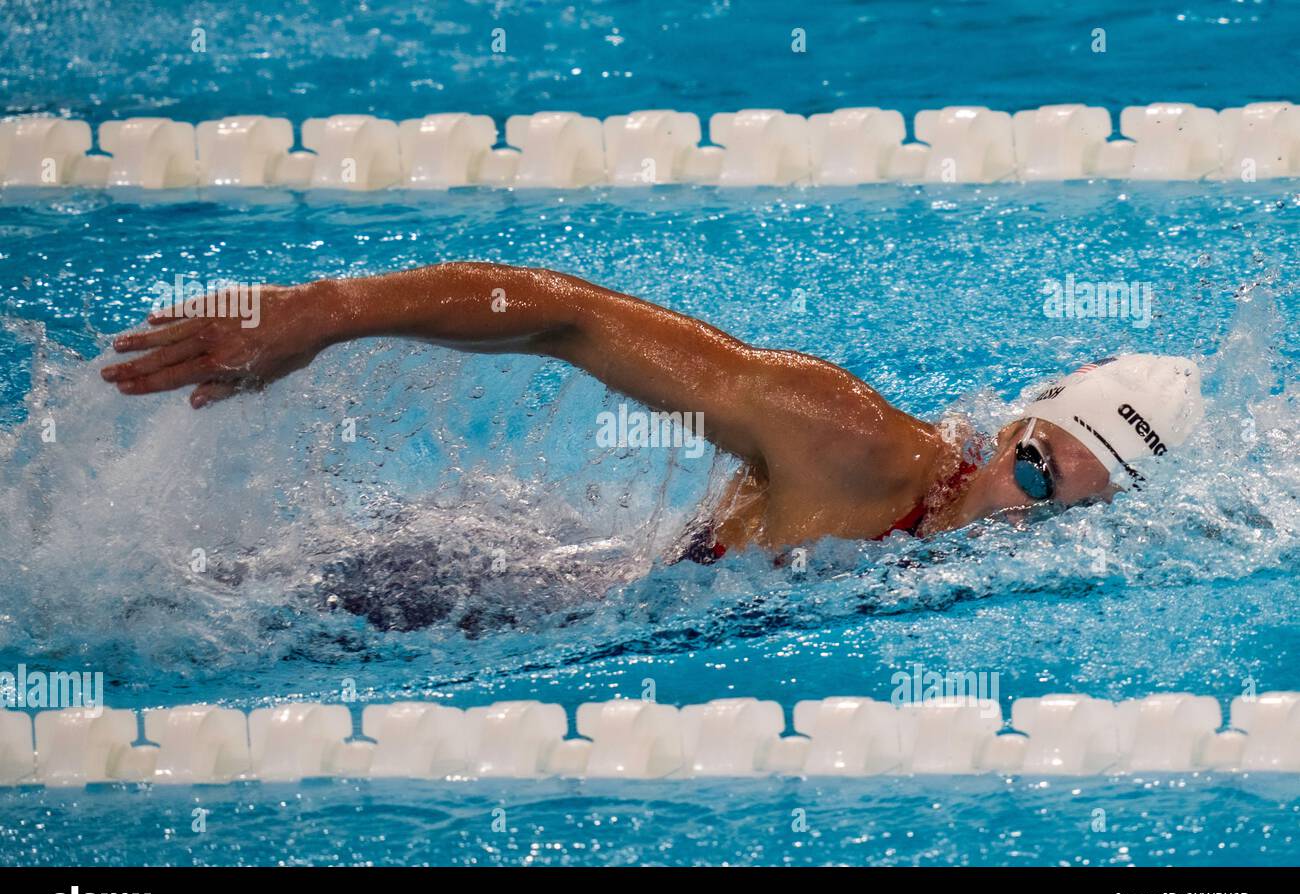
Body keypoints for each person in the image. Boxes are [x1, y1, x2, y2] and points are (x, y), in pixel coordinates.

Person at [100, 262, 1204, 563]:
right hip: (463, 600)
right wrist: (329, 312)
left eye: (1064, 515)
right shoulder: (850, 438)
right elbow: (564, 317)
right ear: (1016, 423)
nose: (1019, 518)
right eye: (1036, 472)